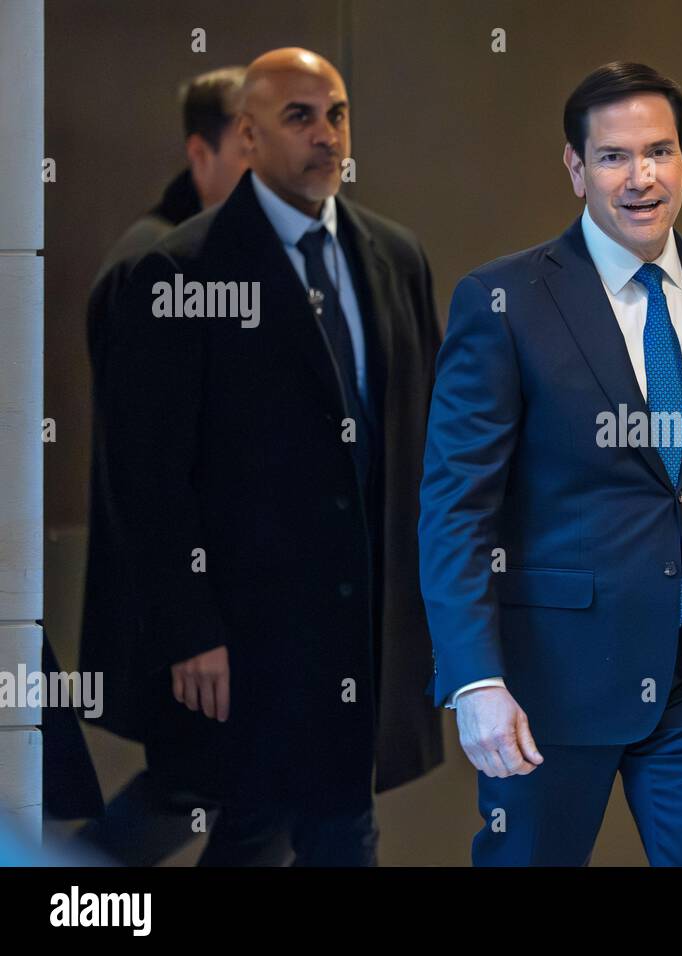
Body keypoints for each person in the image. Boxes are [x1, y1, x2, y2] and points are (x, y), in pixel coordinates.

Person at [419, 62, 682, 866]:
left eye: (658, 151)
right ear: (576, 169)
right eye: (612, 157)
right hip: (547, 687)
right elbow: (456, 506)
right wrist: (473, 679)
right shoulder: (503, 301)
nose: (640, 177)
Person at [98, 48, 442, 865]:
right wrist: (189, 627)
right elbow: (147, 475)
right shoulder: (178, 268)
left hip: (362, 639)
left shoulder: (395, 257)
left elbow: (422, 442)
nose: (327, 135)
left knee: (337, 832)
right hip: (249, 640)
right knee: (257, 832)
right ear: (247, 138)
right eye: (300, 118)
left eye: (337, 114)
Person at [77, 65, 253, 866]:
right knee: (197, 790)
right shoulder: (156, 266)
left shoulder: (209, 255)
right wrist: (188, 626)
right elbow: (143, 471)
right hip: (178, 611)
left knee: (230, 795)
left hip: (205, 607)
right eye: (251, 150)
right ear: (201, 152)